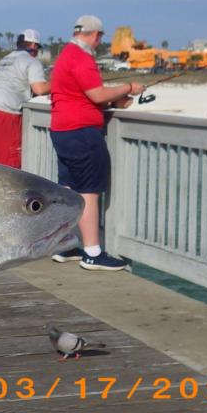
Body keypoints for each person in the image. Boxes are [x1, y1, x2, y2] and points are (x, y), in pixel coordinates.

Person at [47, 14, 144, 271]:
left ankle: (66, 246)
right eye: (101, 37)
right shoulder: (81, 57)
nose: (100, 42)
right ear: (94, 34)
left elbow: (84, 95)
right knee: (88, 190)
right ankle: (92, 252)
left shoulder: (66, 54)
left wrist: (111, 101)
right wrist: (128, 87)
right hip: (81, 132)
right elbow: (97, 93)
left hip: (62, 129)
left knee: (68, 188)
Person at [0, 29, 49, 168]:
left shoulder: (6, 58)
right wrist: (59, 83)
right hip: (4, 114)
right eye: (38, 48)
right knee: (9, 168)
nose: (37, 51)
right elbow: (39, 89)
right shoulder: (31, 61)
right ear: (33, 45)